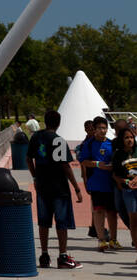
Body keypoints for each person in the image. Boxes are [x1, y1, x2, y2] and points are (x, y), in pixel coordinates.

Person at [26, 109, 83, 269]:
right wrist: (77, 187)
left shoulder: (36, 137)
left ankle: (44, 255)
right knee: (61, 221)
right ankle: (62, 256)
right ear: (58, 123)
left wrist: (35, 176)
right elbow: (65, 165)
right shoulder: (59, 140)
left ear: (45, 121)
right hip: (59, 187)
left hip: (43, 186)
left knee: (44, 221)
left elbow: (28, 158)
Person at [78, 116, 120, 250]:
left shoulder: (112, 144)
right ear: (94, 129)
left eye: (105, 128)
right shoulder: (89, 144)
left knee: (112, 213)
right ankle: (101, 239)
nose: (103, 131)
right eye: (100, 128)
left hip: (110, 183)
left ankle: (113, 240)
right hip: (96, 184)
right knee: (98, 211)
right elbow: (83, 161)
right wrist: (97, 164)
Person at [111, 123, 137, 250]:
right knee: (133, 221)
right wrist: (126, 182)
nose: (130, 140)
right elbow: (115, 175)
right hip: (129, 191)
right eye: (126, 137)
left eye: (131, 137)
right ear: (122, 139)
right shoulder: (118, 155)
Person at [77, 120, 97, 237]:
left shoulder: (96, 142)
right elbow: (83, 166)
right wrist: (85, 181)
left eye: (93, 129)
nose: (92, 131)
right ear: (85, 130)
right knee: (95, 203)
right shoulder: (84, 145)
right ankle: (94, 227)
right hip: (91, 176)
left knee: (96, 203)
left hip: (99, 176)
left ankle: (94, 226)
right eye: (89, 129)